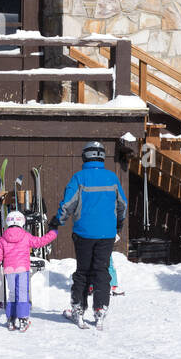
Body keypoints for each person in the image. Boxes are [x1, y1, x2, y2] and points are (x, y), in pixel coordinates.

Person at [51, 141, 127, 330]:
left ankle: (78, 309)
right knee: (102, 271)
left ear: (85, 157)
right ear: (102, 157)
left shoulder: (79, 178)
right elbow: (122, 205)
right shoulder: (112, 177)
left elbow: (68, 204)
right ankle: (100, 310)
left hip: (84, 233)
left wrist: (57, 221)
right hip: (107, 234)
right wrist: (119, 223)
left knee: (83, 272)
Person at [0, 210, 56, 331]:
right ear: (22, 222)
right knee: (22, 294)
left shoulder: (3, 239)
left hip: (9, 270)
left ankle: (10, 319)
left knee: (12, 294)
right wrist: (53, 234)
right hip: (22, 269)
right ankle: (23, 319)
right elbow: (39, 242)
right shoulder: (25, 236)